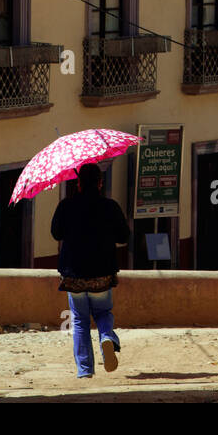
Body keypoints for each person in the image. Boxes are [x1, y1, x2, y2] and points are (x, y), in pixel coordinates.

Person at [50, 162, 131, 378]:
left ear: (78, 183)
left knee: (79, 319)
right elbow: (124, 237)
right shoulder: (110, 206)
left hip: (74, 275)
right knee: (103, 312)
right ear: (100, 183)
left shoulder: (66, 206)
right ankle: (106, 337)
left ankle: (85, 369)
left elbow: (56, 234)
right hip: (102, 273)